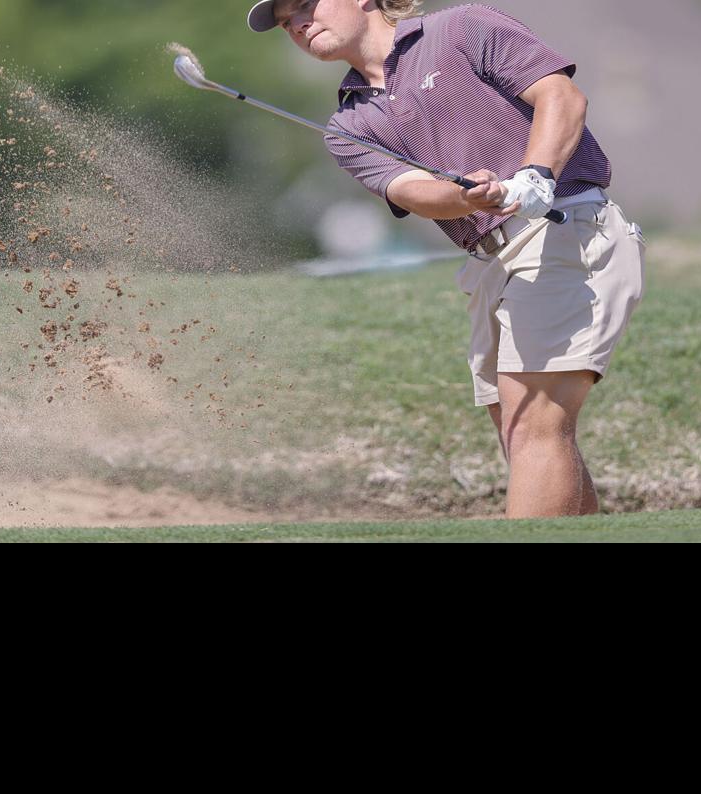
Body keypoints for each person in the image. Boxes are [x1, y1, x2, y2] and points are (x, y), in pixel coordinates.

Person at [249, 0, 645, 518]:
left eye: (305, 4)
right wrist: (467, 199)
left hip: (563, 230)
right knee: (522, 435)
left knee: (534, 426)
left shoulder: (463, 27)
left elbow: (562, 97)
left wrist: (534, 175)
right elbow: (412, 191)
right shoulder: (347, 124)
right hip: (487, 262)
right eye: (285, 22)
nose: (297, 23)